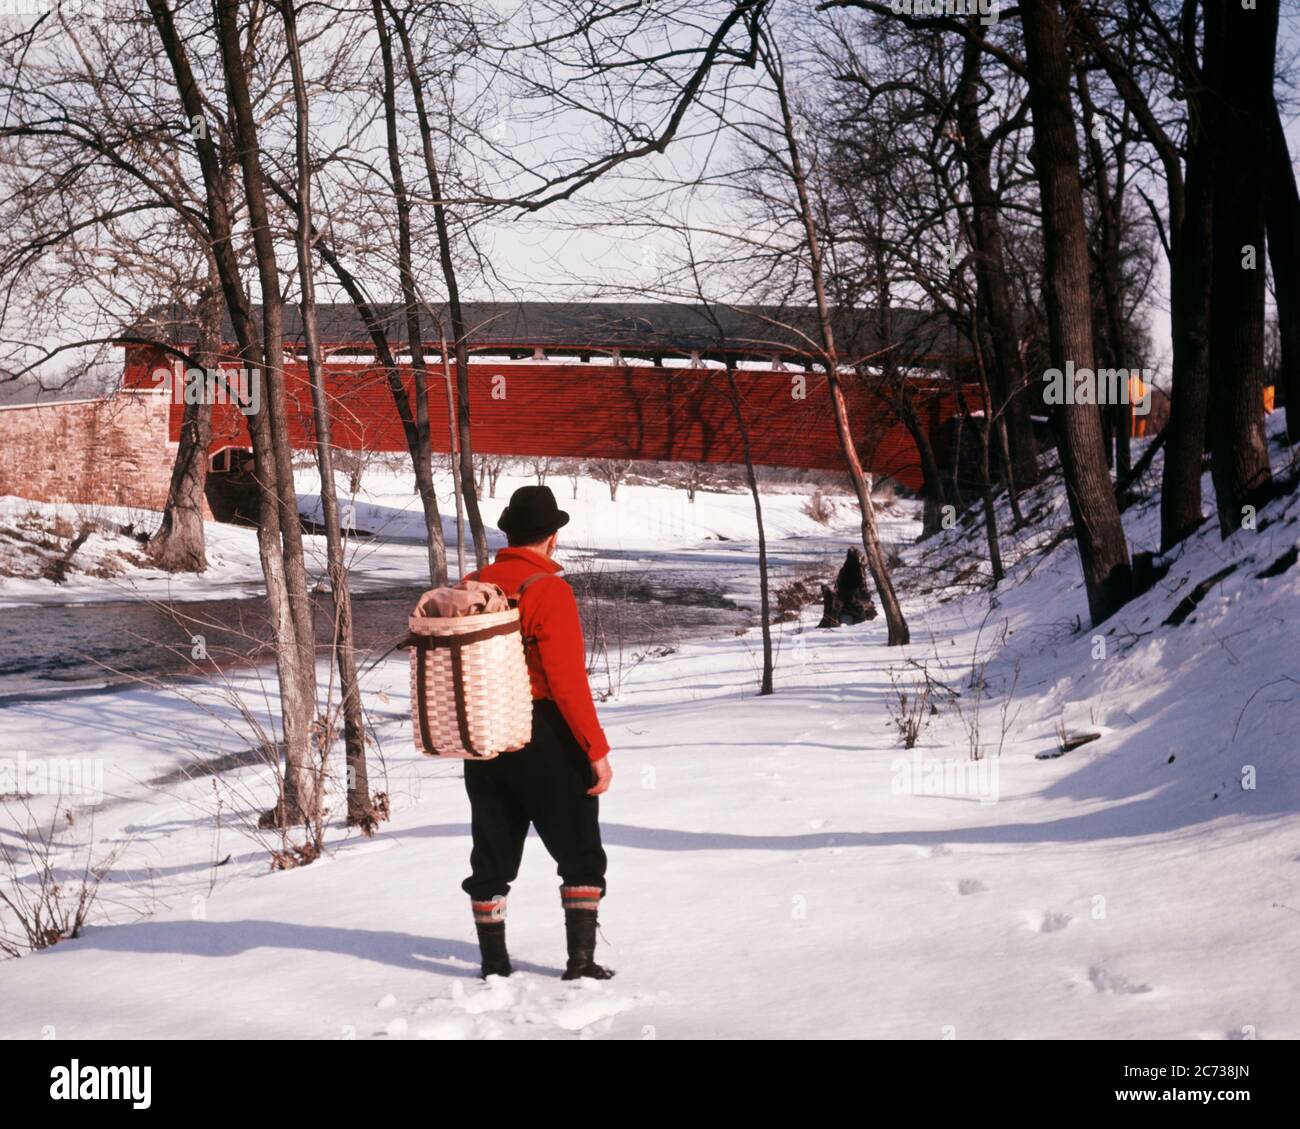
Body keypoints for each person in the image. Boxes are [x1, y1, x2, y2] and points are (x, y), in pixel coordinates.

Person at [459, 484, 614, 980]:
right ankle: (580, 963)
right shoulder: (549, 590)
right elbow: (567, 682)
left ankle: (494, 963)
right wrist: (596, 749)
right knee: (579, 852)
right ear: (551, 538)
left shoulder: (471, 585)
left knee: (492, 851)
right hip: (544, 733)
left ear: (508, 534)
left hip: (484, 733)